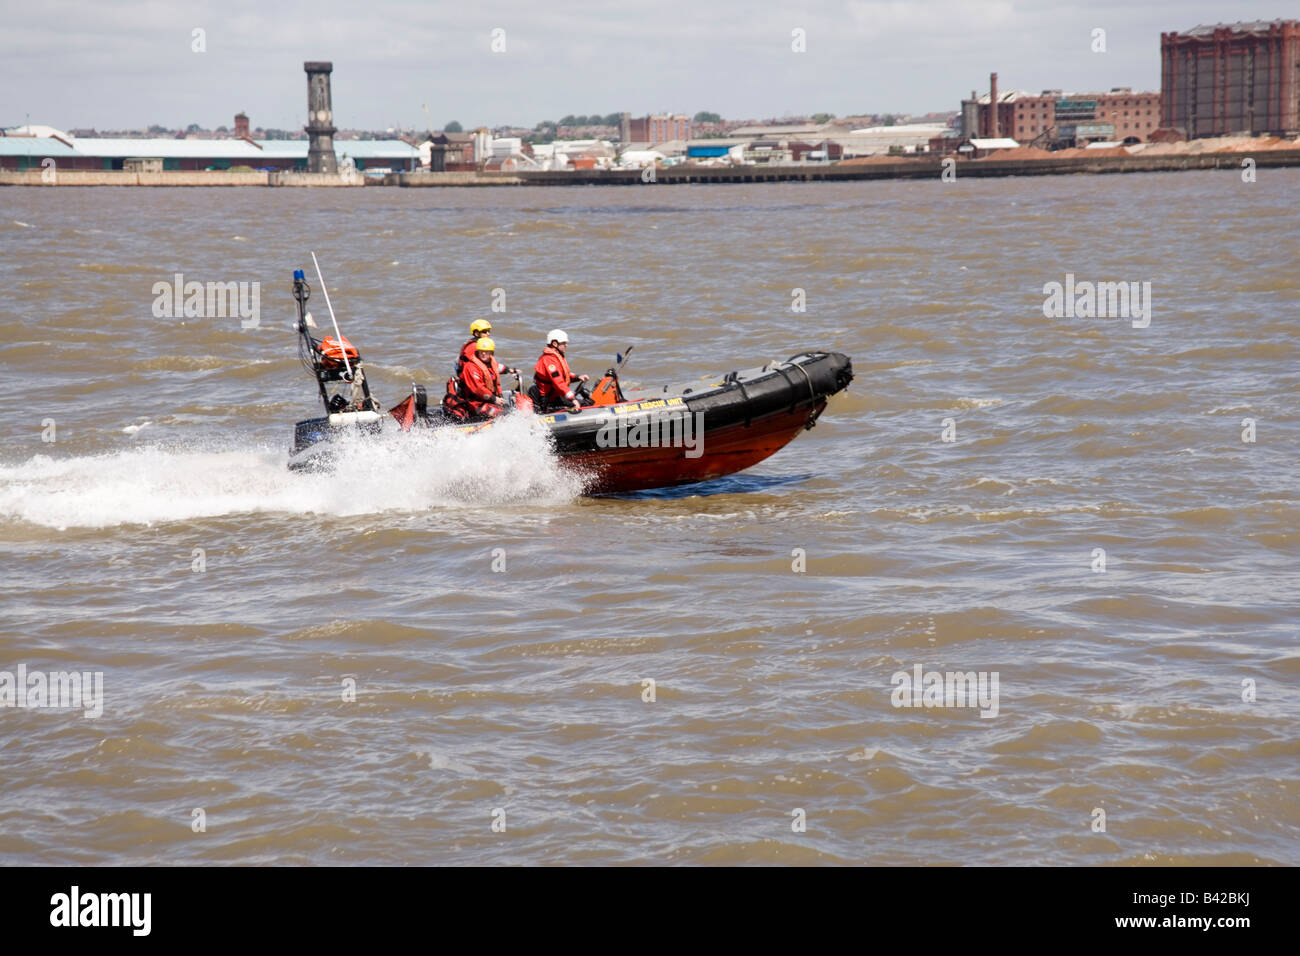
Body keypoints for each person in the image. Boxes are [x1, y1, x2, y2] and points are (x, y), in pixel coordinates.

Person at [532, 329, 588, 412]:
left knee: (585, 403)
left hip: (555, 395)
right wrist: (573, 399)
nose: (566, 345)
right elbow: (558, 382)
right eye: (564, 343)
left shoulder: (556, 357)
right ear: (555, 344)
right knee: (583, 404)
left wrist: (578, 377)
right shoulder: (549, 360)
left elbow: (564, 375)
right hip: (547, 400)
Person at [458, 336, 510, 419]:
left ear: (491, 353)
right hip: (476, 405)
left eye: (486, 351)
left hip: (488, 401)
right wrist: (494, 399)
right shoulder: (471, 367)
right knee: (503, 413)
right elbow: (478, 388)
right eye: (481, 351)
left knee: (508, 408)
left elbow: (496, 383)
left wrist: (500, 397)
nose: (483, 353)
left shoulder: (491, 364)